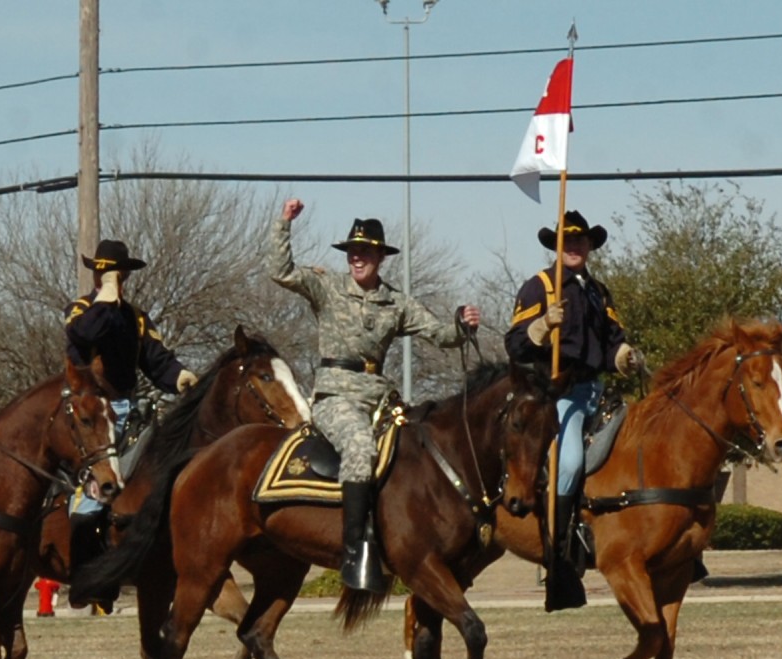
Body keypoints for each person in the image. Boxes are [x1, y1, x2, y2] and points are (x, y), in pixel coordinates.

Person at [271, 198, 481, 592]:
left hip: (381, 399)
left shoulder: (395, 302)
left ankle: (409, 539)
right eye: (352, 251)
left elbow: (440, 335)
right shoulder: (327, 286)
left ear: (380, 257)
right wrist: (284, 224)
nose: (357, 257)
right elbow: (279, 271)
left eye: (365, 251)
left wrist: (462, 325)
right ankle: (355, 549)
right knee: (359, 446)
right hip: (335, 395)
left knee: (419, 452)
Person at [504, 210, 636, 611]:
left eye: (581, 241)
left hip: (600, 392)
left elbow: (613, 341)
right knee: (570, 459)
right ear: (557, 247)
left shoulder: (599, 291)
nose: (575, 247)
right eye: (568, 241)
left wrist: (626, 356)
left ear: (590, 247)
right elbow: (514, 344)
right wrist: (543, 325)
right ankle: (558, 555)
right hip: (559, 395)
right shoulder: (539, 287)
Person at [63, 239, 198, 604]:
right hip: (91, 415)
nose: (113, 279)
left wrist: (181, 376)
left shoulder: (137, 317)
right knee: (88, 503)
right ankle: (84, 576)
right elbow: (84, 335)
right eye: (106, 273)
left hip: (132, 410)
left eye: (116, 274)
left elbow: (157, 360)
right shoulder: (81, 310)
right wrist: (105, 297)